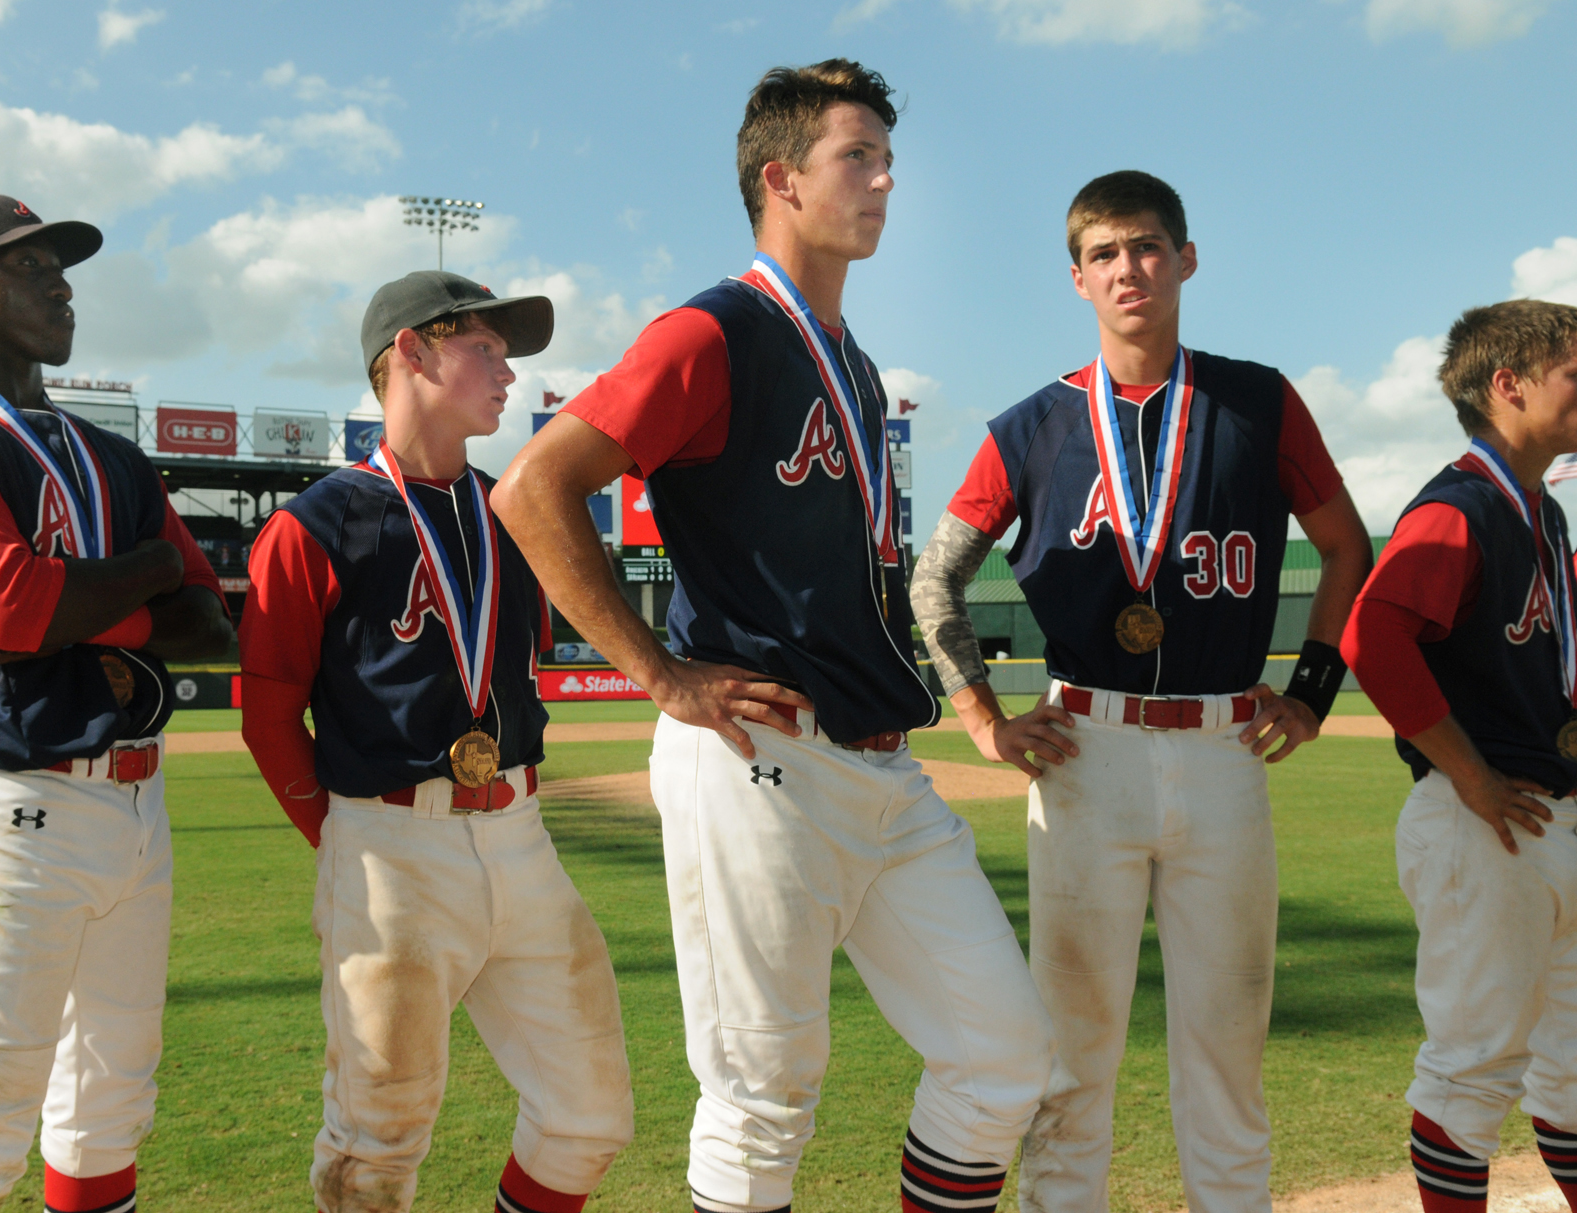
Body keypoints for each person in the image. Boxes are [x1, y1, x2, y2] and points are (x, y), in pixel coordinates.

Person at [493, 60, 1056, 1213]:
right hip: (762, 757)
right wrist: (656, 671)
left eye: (887, 159)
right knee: (763, 1097)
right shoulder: (715, 330)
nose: (886, 180)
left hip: (885, 773)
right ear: (780, 179)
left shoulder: (846, 358)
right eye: (858, 157)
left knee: (1004, 1062)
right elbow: (535, 490)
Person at [910, 170, 1373, 1213]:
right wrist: (981, 714)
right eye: (1106, 253)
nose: (1130, 269)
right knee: (1074, 1057)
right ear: (1077, 278)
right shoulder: (1032, 425)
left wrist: (1311, 690)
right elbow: (934, 569)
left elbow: (1345, 547)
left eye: (1149, 247)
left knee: (1227, 1054)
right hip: (1085, 753)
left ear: (1187, 260)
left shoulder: (1259, 402)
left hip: (1223, 751)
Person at [0, 194, 233, 1213]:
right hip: (12, 812)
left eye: (60, 266)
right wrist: (148, 566)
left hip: (135, 806)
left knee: (108, 1102)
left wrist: (90, 599)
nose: (61, 284)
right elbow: (9, 608)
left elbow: (211, 626)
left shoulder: (109, 454)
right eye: (26, 267)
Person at [237, 271, 634, 1213]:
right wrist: (341, 838)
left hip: (524, 836)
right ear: (411, 350)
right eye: (486, 348)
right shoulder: (312, 524)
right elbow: (266, 713)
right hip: (392, 843)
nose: (509, 374)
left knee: (589, 1116)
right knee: (379, 1142)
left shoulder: (517, 513)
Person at [1342, 300, 1577, 1213]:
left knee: (1569, 1067)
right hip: (1483, 816)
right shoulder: (1461, 505)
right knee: (1474, 1071)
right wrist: (1470, 772)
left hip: (1541, 812)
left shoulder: (1540, 514)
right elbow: (1373, 634)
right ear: (1508, 386)